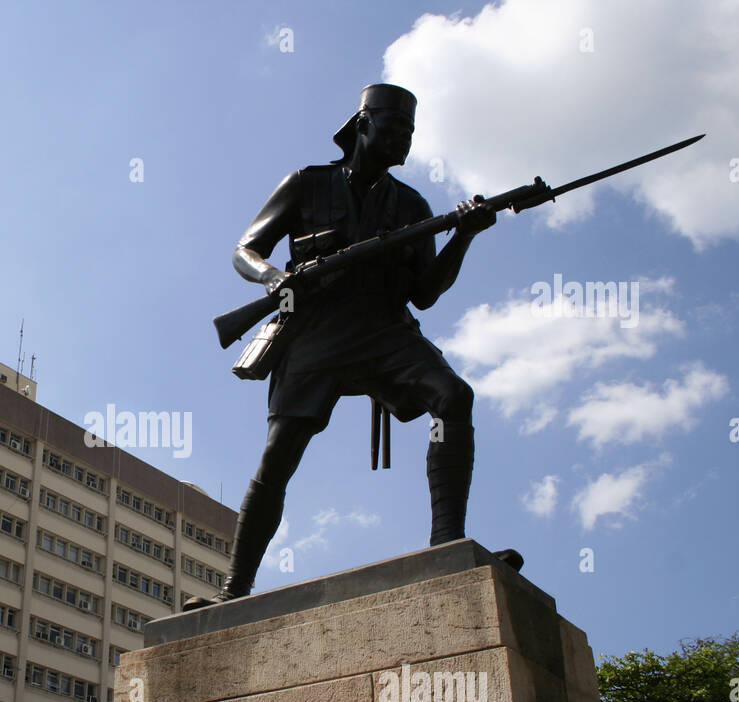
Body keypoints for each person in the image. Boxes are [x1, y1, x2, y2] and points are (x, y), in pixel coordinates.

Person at [186, 84, 519, 611]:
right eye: (394, 130)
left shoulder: (413, 206)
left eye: (410, 133)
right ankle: (234, 590)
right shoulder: (308, 184)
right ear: (362, 126)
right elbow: (245, 249)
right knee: (277, 459)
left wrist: (464, 235)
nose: (404, 142)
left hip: (384, 332)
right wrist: (274, 279)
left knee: (453, 397)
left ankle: (448, 546)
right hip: (315, 332)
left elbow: (426, 293)